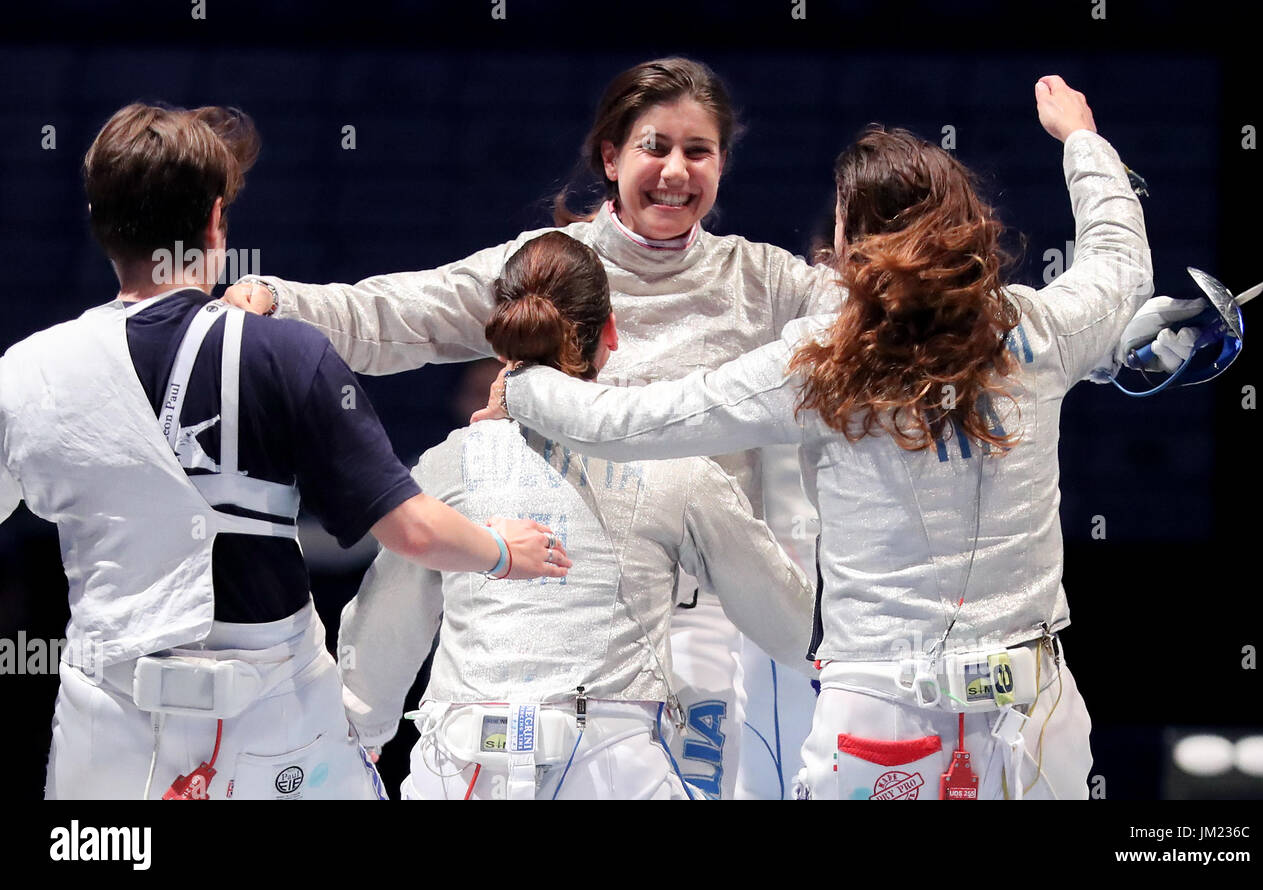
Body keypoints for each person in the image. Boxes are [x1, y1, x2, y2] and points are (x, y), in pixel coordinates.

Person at [476, 76, 1153, 799]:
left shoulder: (823, 362)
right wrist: (1082, 140)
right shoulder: (1037, 329)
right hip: (1031, 716)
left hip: (882, 718)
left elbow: (634, 424)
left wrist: (525, 385)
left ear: (852, 241)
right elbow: (1120, 265)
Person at [222, 57, 839, 798]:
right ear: (611, 157)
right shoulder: (549, 268)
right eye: (655, 146)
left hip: (698, 609)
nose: (675, 170)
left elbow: (871, 324)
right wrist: (279, 301)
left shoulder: (763, 281)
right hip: (535, 594)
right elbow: (402, 313)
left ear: (721, 163)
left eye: (697, 151)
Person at [0, 103, 567, 800]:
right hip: (278, 729)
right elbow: (413, 530)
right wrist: (505, 549)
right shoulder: (285, 351)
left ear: (99, 220)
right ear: (215, 222)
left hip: (108, 733)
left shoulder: (27, 372)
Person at [336, 231, 814, 799]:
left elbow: (386, 626)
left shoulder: (446, 466)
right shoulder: (674, 465)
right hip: (610, 763)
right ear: (610, 333)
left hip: (461, 761)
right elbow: (787, 626)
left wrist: (360, 734)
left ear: (503, 343)